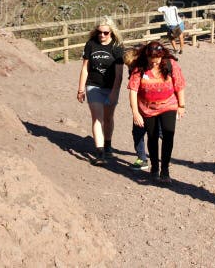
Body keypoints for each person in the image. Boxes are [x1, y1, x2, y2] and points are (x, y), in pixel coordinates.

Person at [128, 40, 186, 184]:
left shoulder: (170, 65)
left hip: (168, 104)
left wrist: (182, 105)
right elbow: (133, 90)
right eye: (152, 61)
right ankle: (154, 168)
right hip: (147, 108)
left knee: (168, 134)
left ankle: (165, 170)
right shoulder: (139, 67)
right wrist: (135, 112)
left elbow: (179, 85)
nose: (155, 64)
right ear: (146, 57)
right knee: (152, 137)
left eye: (157, 60)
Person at [77, 17, 124, 166]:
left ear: (111, 32)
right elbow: (85, 68)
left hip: (110, 87)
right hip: (93, 85)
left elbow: (119, 74)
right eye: (99, 32)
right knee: (98, 118)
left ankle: (108, 144)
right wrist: (81, 89)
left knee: (108, 118)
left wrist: (115, 91)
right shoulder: (91, 45)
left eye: (105, 33)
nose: (102, 35)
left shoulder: (117, 47)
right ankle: (100, 152)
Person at [123, 48, 149, 171]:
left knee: (160, 132)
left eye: (132, 64)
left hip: (154, 107)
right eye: (128, 66)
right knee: (137, 133)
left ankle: (164, 157)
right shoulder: (133, 72)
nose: (131, 67)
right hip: (140, 108)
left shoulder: (146, 69)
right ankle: (142, 158)